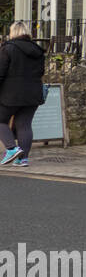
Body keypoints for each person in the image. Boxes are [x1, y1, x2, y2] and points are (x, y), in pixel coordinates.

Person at [0, 21, 46, 168]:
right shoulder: (38, 50)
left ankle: (12, 149)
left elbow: (1, 73)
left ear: (13, 32)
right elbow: (41, 72)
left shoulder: (8, 48)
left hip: (11, 93)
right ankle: (23, 159)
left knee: (1, 120)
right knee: (24, 125)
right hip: (33, 93)